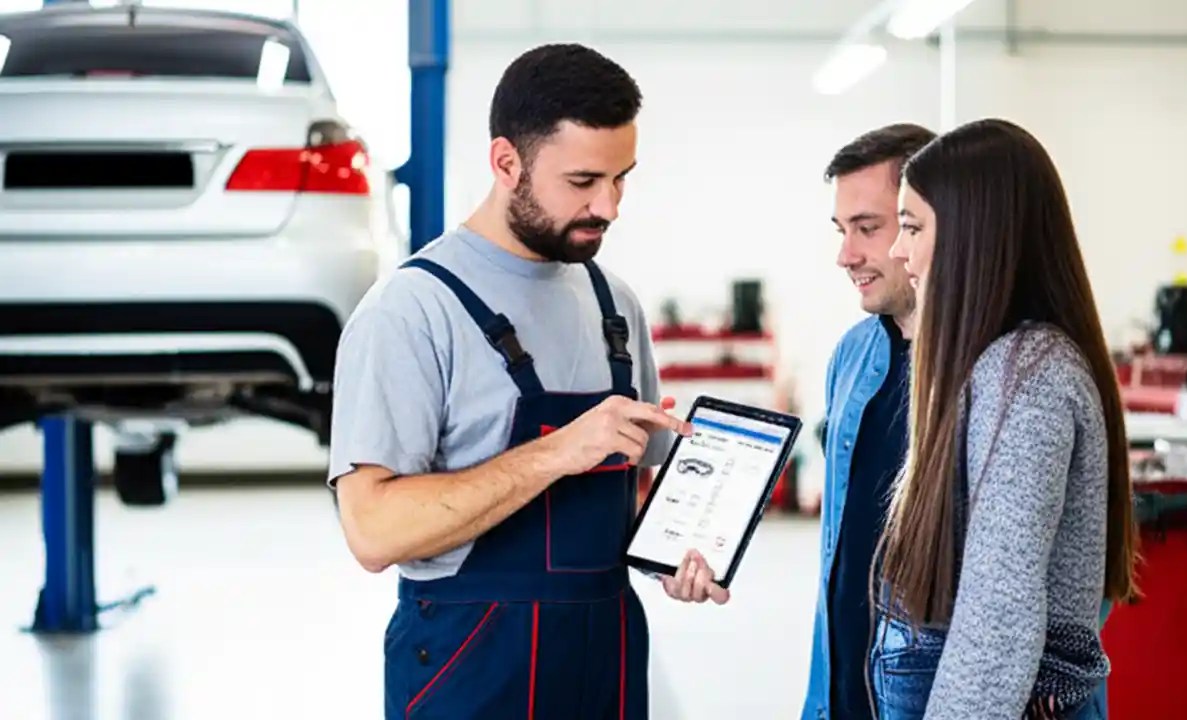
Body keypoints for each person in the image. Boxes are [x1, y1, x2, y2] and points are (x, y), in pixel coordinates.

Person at [326, 43, 722, 720]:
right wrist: (557, 452)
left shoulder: (613, 304)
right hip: (471, 665)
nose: (610, 206)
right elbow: (373, 532)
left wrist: (677, 551)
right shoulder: (413, 311)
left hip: (607, 654)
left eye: (622, 178)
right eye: (583, 182)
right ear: (506, 162)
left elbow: (636, 493)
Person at [869, 118, 1138, 720]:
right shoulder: (1001, 363)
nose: (896, 250)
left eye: (911, 227)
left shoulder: (1029, 376)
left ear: (973, 237)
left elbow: (999, 614)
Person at [800, 124, 938, 720]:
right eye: (842, 230)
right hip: (848, 688)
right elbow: (841, 552)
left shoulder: (997, 370)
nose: (846, 254)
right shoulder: (852, 356)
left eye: (868, 228)